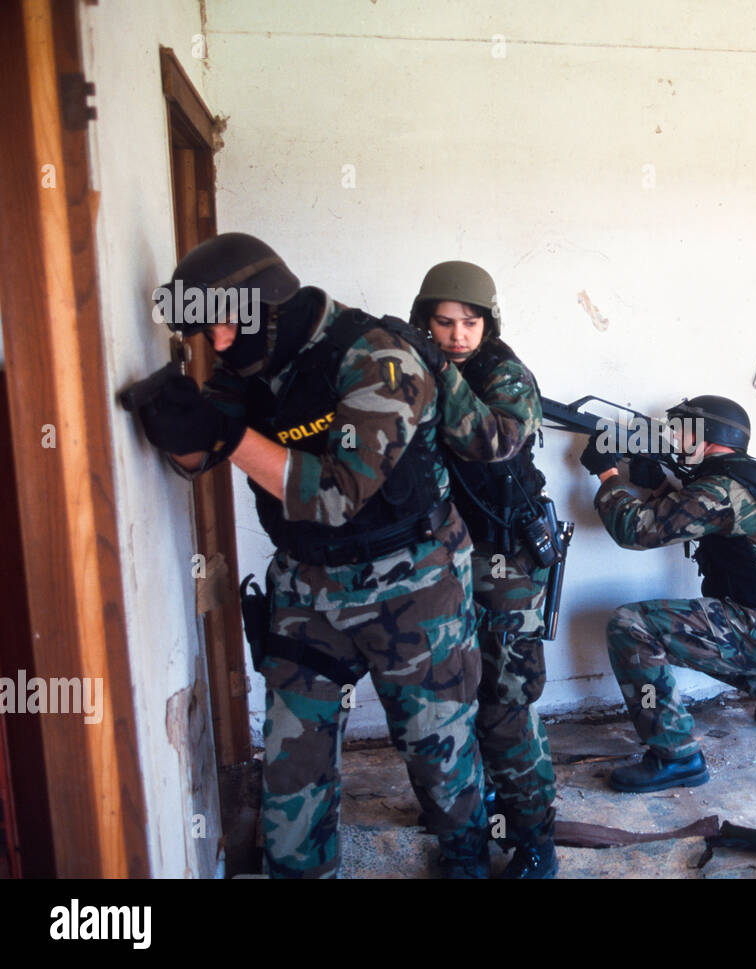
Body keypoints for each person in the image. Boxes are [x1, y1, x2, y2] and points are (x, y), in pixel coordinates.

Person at [134, 232, 489, 877]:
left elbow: (338, 494)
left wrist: (227, 435)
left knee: (438, 754)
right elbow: (200, 456)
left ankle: (465, 854)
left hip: (415, 588)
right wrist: (175, 421)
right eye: (204, 332)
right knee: (290, 775)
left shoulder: (380, 360)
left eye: (222, 327)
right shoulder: (247, 364)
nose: (215, 345)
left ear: (266, 308)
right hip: (306, 589)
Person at [576, 395, 756, 793]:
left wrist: (608, 475)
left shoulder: (720, 488)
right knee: (693, 630)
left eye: (681, 431)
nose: (674, 439)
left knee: (631, 626)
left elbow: (635, 531)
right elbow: (706, 513)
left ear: (707, 436)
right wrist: (659, 484)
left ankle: (677, 756)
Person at [409, 261, 559, 879]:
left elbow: (492, 442)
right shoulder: (414, 369)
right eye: (443, 324)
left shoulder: (505, 374)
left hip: (506, 562)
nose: (457, 335)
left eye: (469, 322)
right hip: (439, 559)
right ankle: (466, 825)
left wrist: (439, 372)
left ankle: (534, 837)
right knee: (447, 702)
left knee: (504, 705)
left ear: (487, 323)